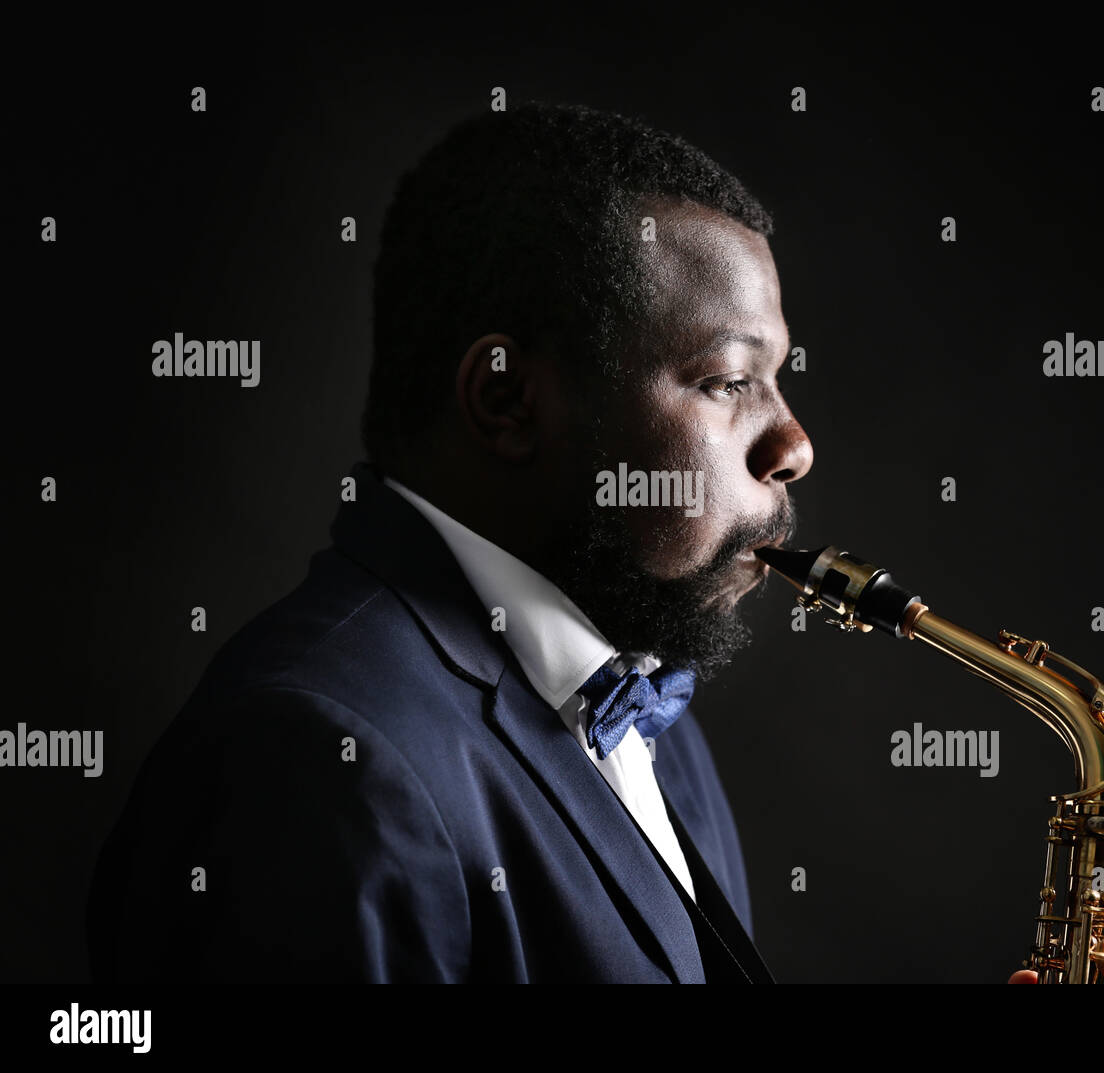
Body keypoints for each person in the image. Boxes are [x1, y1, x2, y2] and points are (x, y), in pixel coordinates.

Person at [87, 101, 1034, 984]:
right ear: (506, 400)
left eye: (777, 378)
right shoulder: (315, 764)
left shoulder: (651, 712)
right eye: (725, 379)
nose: (794, 445)